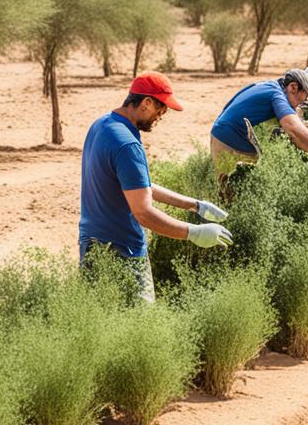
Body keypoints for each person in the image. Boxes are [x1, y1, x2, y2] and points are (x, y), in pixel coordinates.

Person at [79, 71, 233, 302]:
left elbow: (138, 186)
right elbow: (143, 212)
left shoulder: (102, 125)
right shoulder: (128, 144)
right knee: (139, 330)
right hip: (123, 252)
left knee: (100, 326)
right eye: (160, 111)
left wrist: (195, 205)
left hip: (91, 246)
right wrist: (193, 233)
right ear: (146, 103)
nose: (160, 117)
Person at [211, 68, 308, 183]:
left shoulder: (268, 86)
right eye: (305, 96)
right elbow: (293, 128)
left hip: (221, 134)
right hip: (230, 142)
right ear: (293, 87)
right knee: (234, 195)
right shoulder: (277, 95)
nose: (303, 102)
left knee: (230, 191)